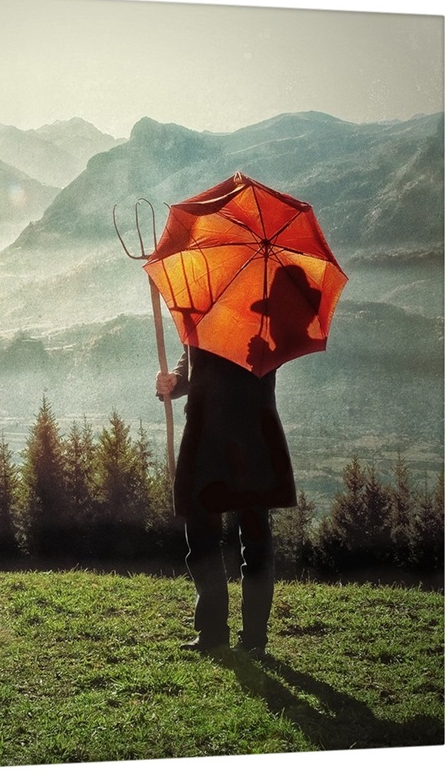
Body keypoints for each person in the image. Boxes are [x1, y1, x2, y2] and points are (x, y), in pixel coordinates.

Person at [156, 265, 318, 658]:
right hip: (207, 439)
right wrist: (173, 383)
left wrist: (259, 352)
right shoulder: (202, 309)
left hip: (251, 441)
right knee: (203, 542)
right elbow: (190, 360)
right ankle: (212, 633)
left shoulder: (270, 319)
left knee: (255, 542)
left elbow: (289, 338)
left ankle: (255, 640)